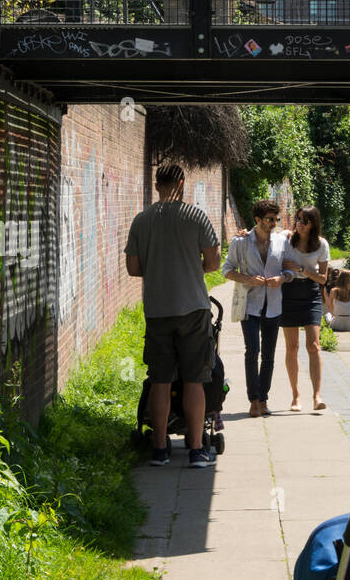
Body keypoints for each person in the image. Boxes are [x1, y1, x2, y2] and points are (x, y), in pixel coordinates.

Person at [124, 163, 220, 469]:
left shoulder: (142, 220)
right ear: (181, 183)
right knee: (195, 380)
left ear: (157, 185)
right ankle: (195, 450)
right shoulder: (196, 216)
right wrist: (193, 269)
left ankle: (160, 450)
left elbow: (133, 268)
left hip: (158, 310)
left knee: (160, 380)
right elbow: (215, 262)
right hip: (193, 308)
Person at [222, 199, 288, 417]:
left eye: (275, 220)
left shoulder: (281, 241)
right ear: (257, 220)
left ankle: (264, 398)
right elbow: (227, 270)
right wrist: (248, 279)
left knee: (268, 355)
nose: (273, 224)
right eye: (269, 220)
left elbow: (290, 270)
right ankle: (253, 400)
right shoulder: (240, 242)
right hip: (250, 305)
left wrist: (282, 278)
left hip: (273, 306)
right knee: (252, 351)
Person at [279, 206, 330, 412]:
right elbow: (261, 236)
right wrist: (244, 235)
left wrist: (300, 269)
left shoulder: (321, 245)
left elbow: (323, 278)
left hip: (310, 294)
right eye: (298, 219)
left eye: (305, 221)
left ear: (313, 224)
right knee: (292, 347)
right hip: (288, 293)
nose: (299, 223)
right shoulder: (285, 238)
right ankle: (295, 396)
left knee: (314, 345)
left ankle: (317, 396)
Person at [325, 267, 350, 332]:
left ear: (340, 278)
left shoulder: (333, 291)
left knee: (327, 315)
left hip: (337, 324)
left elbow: (331, 309)